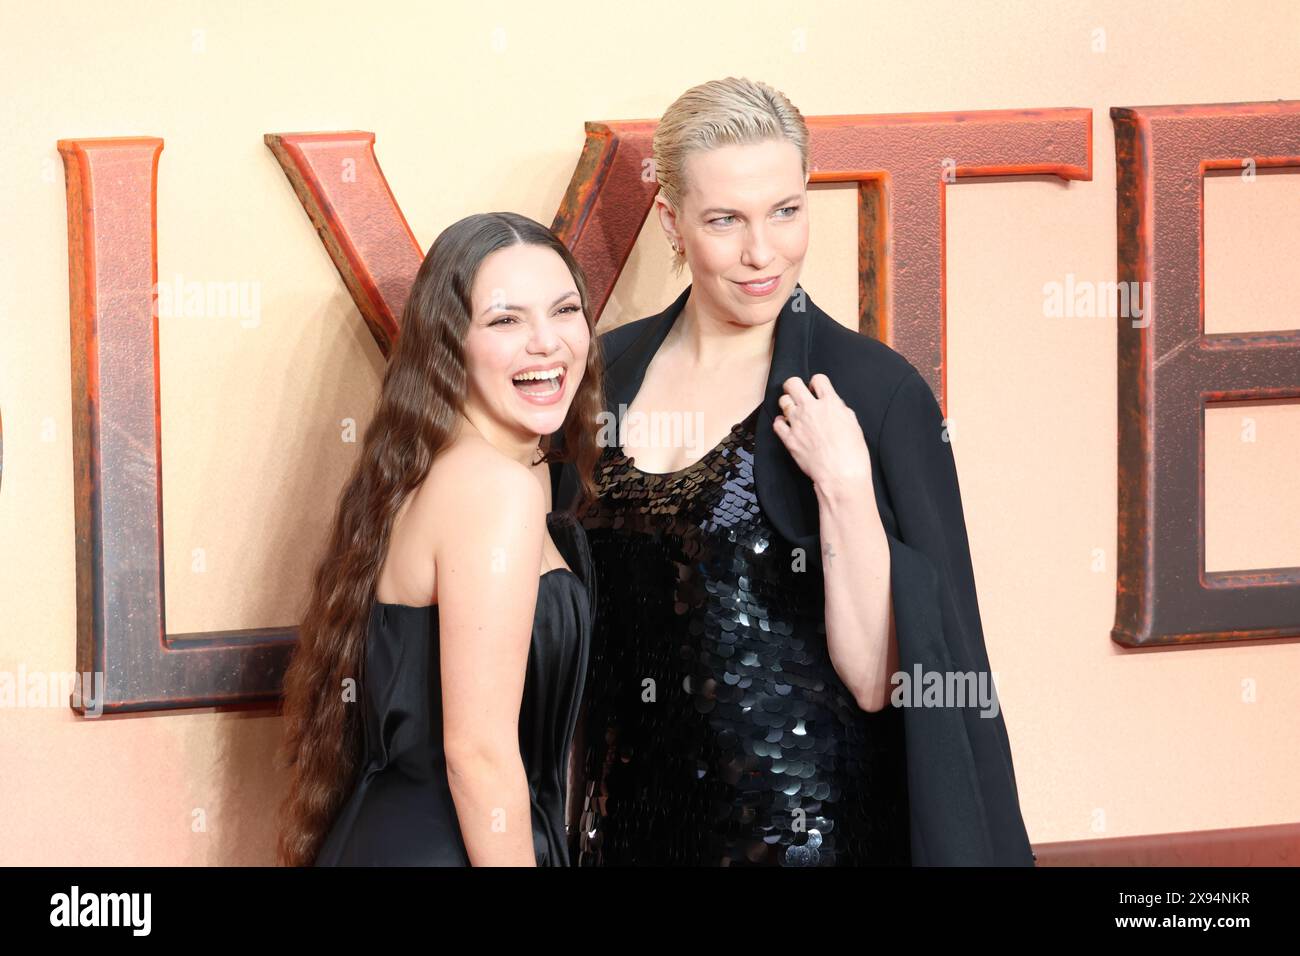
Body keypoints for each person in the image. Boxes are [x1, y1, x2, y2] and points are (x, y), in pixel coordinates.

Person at [551, 77, 1034, 866]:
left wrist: (845, 486)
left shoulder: (874, 392)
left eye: (785, 210)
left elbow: (887, 679)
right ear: (671, 222)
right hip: (631, 836)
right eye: (724, 220)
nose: (761, 252)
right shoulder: (605, 372)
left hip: (810, 842)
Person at [275, 212, 605, 866]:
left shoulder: (453, 471)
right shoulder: (495, 490)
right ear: (449, 342)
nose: (547, 342)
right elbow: (478, 754)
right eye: (506, 320)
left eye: (565, 310)